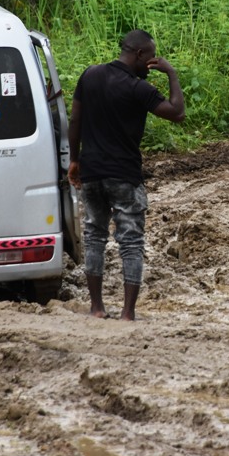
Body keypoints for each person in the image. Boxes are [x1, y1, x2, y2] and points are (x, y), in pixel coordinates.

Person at [67, 29, 185, 321]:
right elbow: (177, 112)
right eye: (151, 58)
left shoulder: (90, 75)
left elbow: (75, 120)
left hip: (91, 173)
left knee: (94, 237)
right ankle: (128, 313)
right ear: (140, 54)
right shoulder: (138, 88)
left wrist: (74, 160)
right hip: (124, 175)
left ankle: (96, 308)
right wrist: (171, 73)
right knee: (131, 241)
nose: (152, 64)